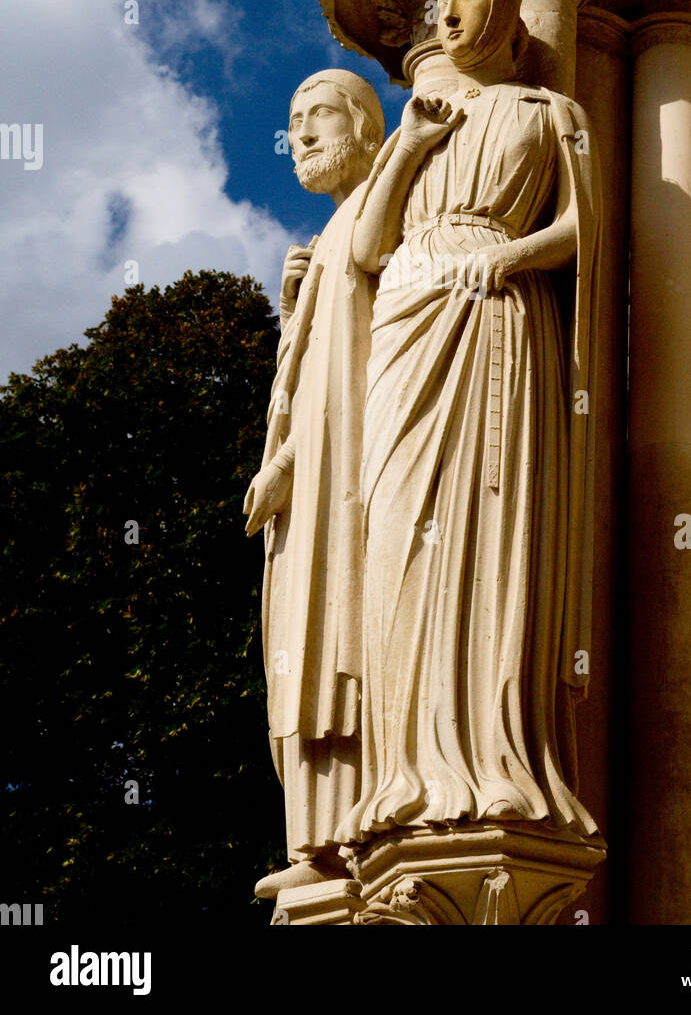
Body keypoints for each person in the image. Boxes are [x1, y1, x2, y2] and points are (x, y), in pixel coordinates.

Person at [337, 0, 602, 845]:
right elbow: (369, 247)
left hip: (496, 314)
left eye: (468, 0)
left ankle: (495, 757)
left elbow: (581, 230)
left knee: (492, 523)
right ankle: (405, 770)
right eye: (441, 4)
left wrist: (505, 257)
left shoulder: (550, 111)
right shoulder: (423, 114)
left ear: (502, 11)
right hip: (408, 314)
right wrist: (408, 142)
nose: (448, 18)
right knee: (397, 532)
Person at [244, 69, 385, 893]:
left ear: (366, 125)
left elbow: (354, 385)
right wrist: (294, 312)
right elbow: (313, 379)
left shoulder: (379, 213)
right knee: (298, 644)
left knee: (340, 636)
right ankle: (314, 841)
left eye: (318, 115)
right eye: (292, 120)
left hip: (346, 482)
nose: (299, 134)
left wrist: (291, 463)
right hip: (307, 489)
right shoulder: (327, 238)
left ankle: (350, 830)